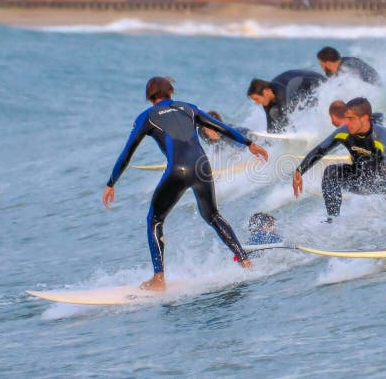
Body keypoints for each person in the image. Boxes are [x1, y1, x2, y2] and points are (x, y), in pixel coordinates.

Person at [103, 76, 269, 291]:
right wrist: (249, 144)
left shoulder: (147, 116)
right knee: (213, 215)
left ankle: (159, 279)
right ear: (170, 92)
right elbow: (221, 127)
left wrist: (111, 183)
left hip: (178, 170)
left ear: (149, 96)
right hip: (203, 167)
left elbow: (127, 152)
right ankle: (246, 262)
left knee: (154, 220)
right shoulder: (188, 108)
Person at [293, 97, 386, 219]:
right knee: (331, 172)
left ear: (364, 118)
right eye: (346, 118)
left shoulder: (381, 134)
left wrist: (385, 193)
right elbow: (320, 150)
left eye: (351, 119)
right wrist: (299, 171)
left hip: (380, 183)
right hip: (359, 179)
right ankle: (333, 219)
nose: (347, 123)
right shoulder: (344, 131)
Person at [247, 69, 326, 133]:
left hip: (317, 83)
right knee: (275, 113)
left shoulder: (281, 93)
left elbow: (285, 120)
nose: (257, 103)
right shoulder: (267, 97)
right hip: (300, 86)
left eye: (257, 99)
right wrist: (269, 139)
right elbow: (270, 122)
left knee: (295, 109)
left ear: (266, 92)